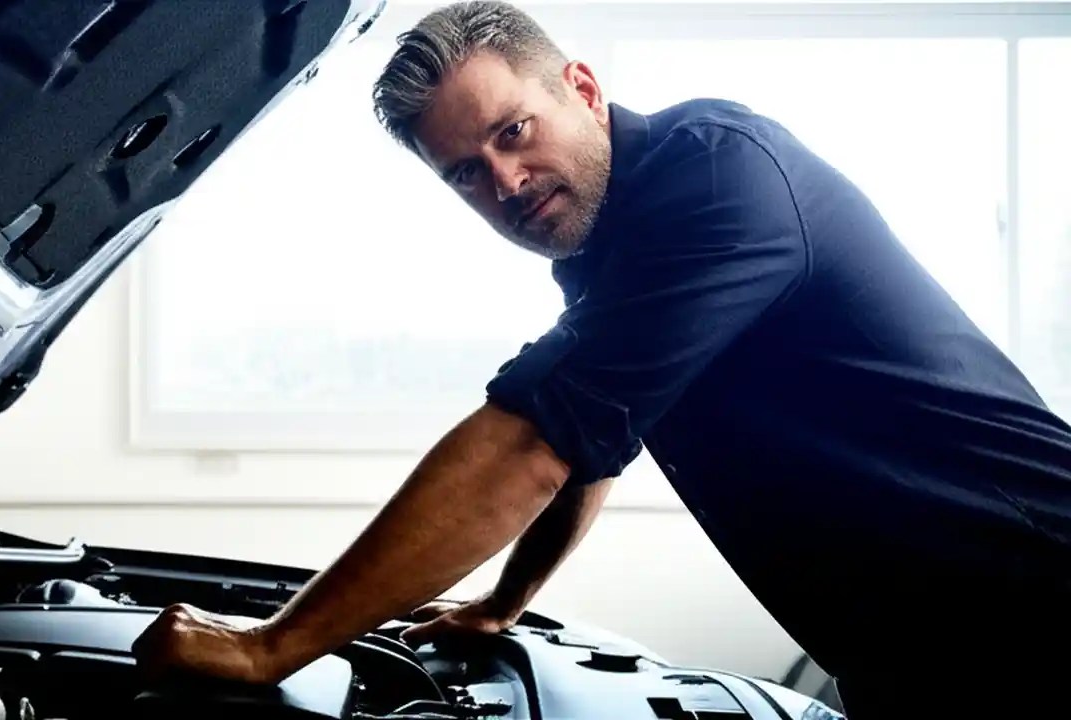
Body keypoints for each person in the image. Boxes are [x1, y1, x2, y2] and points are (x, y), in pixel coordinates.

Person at [131, 1, 1071, 715]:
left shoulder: (718, 178)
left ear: (581, 88)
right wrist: (506, 600)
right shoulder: (606, 256)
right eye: (465, 173)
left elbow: (538, 441)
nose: (504, 181)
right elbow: (595, 441)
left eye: (512, 132)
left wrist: (273, 646)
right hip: (915, 654)